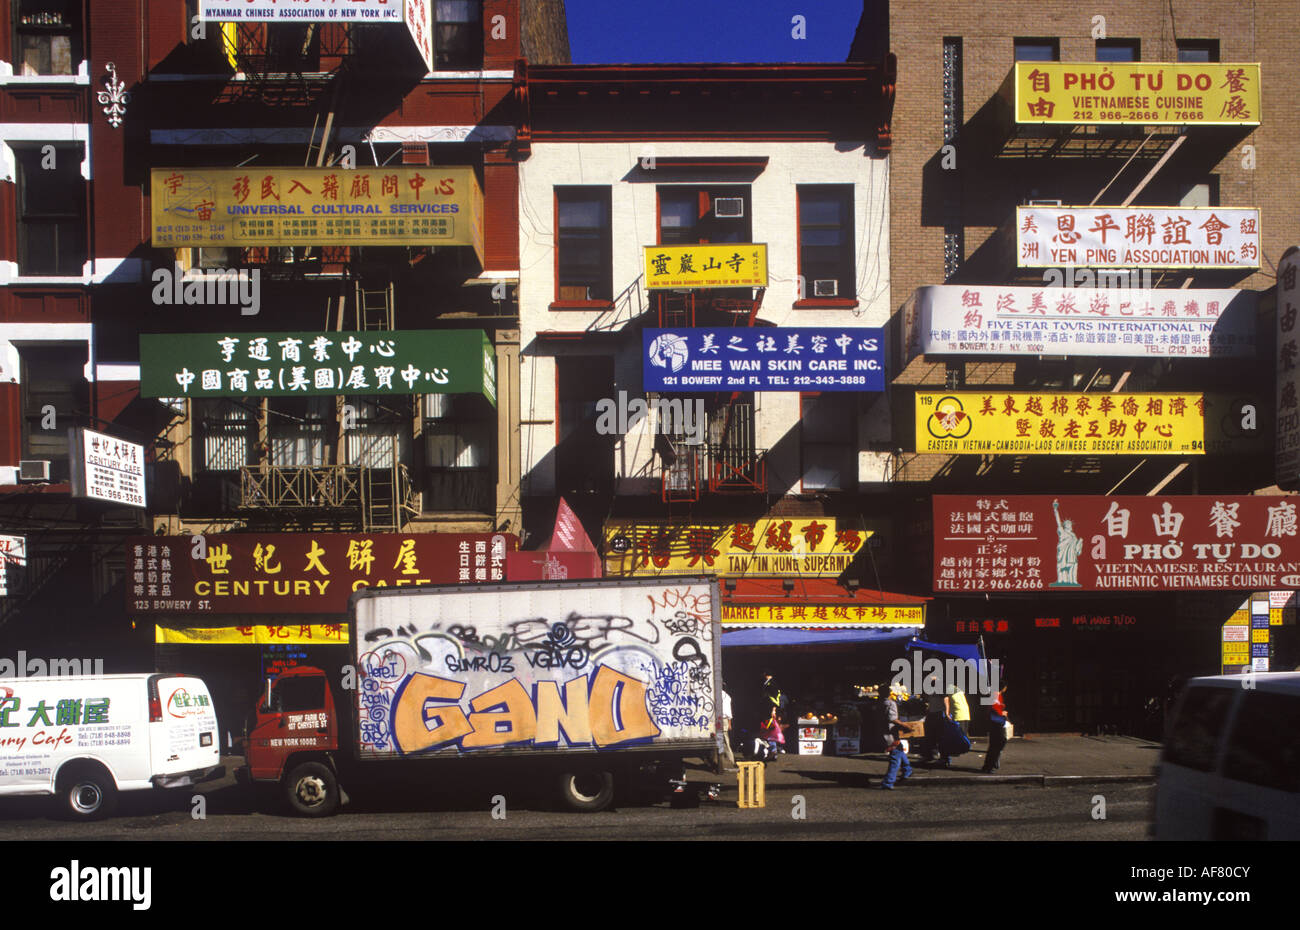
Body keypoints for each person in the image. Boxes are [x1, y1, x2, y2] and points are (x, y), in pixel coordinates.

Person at [982, 685, 1009, 773]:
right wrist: (1003, 713)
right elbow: (995, 710)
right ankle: (990, 766)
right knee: (998, 743)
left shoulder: (993, 694)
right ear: (1004, 687)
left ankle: (989, 765)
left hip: (994, 722)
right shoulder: (996, 695)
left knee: (994, 745)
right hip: (996, 723)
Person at [880, 719, 914, 789]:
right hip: (891, 735)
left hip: (889, 733)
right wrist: (905, 726)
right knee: (895, 757)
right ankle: (888, 782)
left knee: (899, 751)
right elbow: (893, 719)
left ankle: (907, 769)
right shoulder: (892, 707)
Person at [716, 683, 737, 773]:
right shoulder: (727, 696)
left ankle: (727, 762)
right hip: (724, 719)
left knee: (722, 741)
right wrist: (729, 723)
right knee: (725, 741)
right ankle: (729, 761)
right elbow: (729, 712)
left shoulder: (716, 695)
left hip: (718, 719)